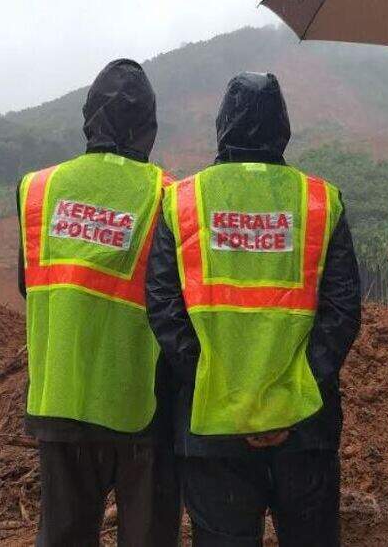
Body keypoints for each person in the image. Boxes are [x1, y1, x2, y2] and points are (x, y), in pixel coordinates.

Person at [146, 72, 361, 546]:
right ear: (282, 127)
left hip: (211, 428)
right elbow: (342, 312)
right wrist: (286, 401)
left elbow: (164, 310)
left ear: (222, 124)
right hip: (304, 427)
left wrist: (229, 397)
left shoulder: (182, 201)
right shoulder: (321, 201)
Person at [15, 59, 179, 547]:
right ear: (148, 125)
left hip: (60, 395)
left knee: (63, 536)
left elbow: (30, 283)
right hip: (141, 402)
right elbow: (175, 303)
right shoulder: (169, 195)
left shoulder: (37, 189)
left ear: (88, 117)